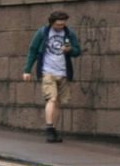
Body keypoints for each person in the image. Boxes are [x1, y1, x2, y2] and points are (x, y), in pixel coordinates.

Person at [20, 9, 82, 142]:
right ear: (52, 23)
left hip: (64, 72)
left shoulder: (69, 33)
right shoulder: (43, 33)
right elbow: (33, 50)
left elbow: (78, 51)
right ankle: (49, 127)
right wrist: (27, 70)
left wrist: (70, 50)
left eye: (63, 24)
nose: (61, 27)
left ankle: (53, 129)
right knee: (52, 99)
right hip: (47, 71)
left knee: (58, 103)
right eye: (58, 24)